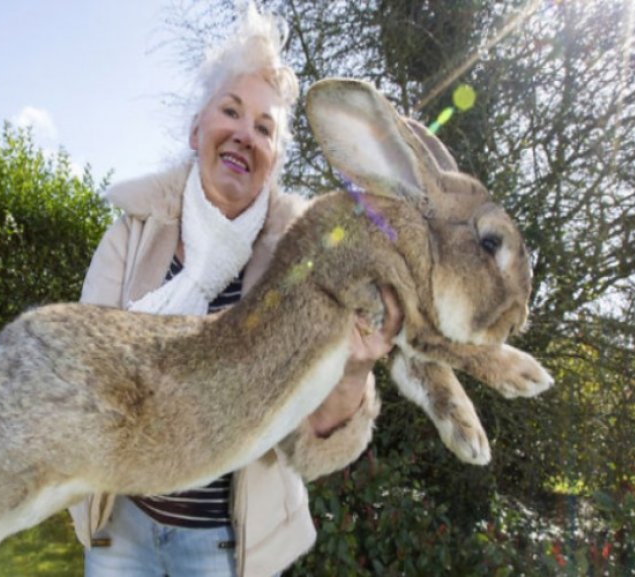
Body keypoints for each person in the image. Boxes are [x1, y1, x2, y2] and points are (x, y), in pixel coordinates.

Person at [69, 4, 402, 576]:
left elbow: (310, 443)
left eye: (265, 128)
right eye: (232, 111)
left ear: (273, 160)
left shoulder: (305, 262)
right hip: (121, 530)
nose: (245, 135)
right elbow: (80, 373)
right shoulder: (132, 232)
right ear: (197, 129)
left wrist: (351, 371)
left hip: (225, 547)